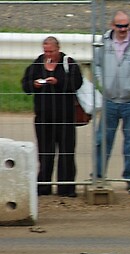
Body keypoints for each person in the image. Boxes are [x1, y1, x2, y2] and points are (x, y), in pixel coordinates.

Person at [21, 36, 83, 197]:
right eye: (46, 51)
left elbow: (77, 83)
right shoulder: (37, 63)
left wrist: (58, 82)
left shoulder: (69, 63)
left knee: (66, 154)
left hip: (65, 118)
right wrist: (34, 84)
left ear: (58, 49)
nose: (48, 54)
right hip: (43, 118)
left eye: (51, 51)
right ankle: (43, 187)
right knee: (45, 154)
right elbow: (25, 84)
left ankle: (66, 188)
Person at [95, 10, 130, 190]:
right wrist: (104, 84)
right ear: (112, 26)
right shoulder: (103, 41)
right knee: (103, 140)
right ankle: (99, 176)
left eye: (126, 26)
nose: (123, 29)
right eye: (119, 26)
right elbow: (96, 64)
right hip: (109, 100)